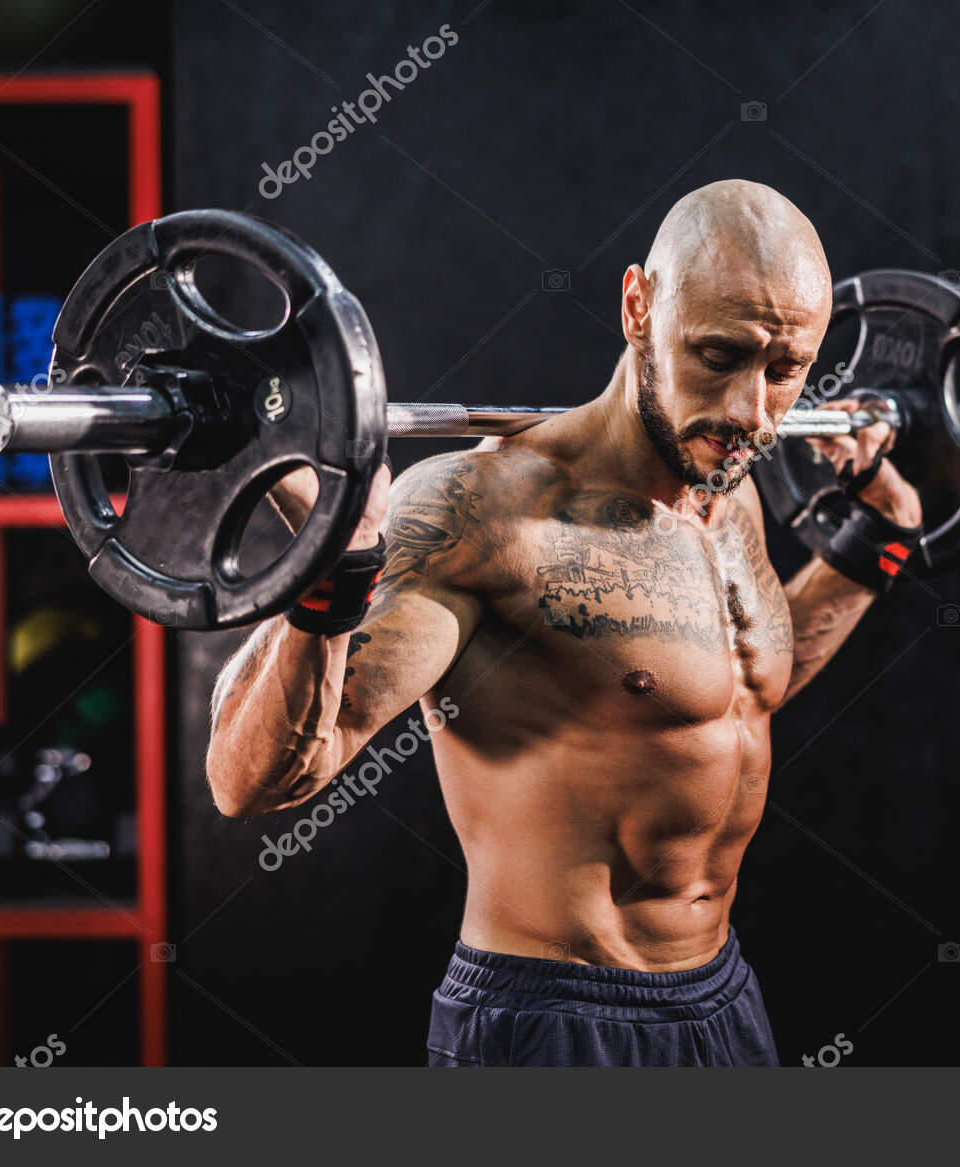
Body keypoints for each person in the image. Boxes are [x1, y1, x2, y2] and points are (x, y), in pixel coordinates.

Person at [206, 179, 923, 1066]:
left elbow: (728, 693)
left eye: (784, 371)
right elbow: (257, 779)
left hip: (722, 1001)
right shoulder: (484, 516)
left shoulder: (722, 489)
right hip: (550, 1021)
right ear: (637, 306)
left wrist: (873, 545)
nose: (750, 412)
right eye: (717, 355)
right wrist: (335, 570)